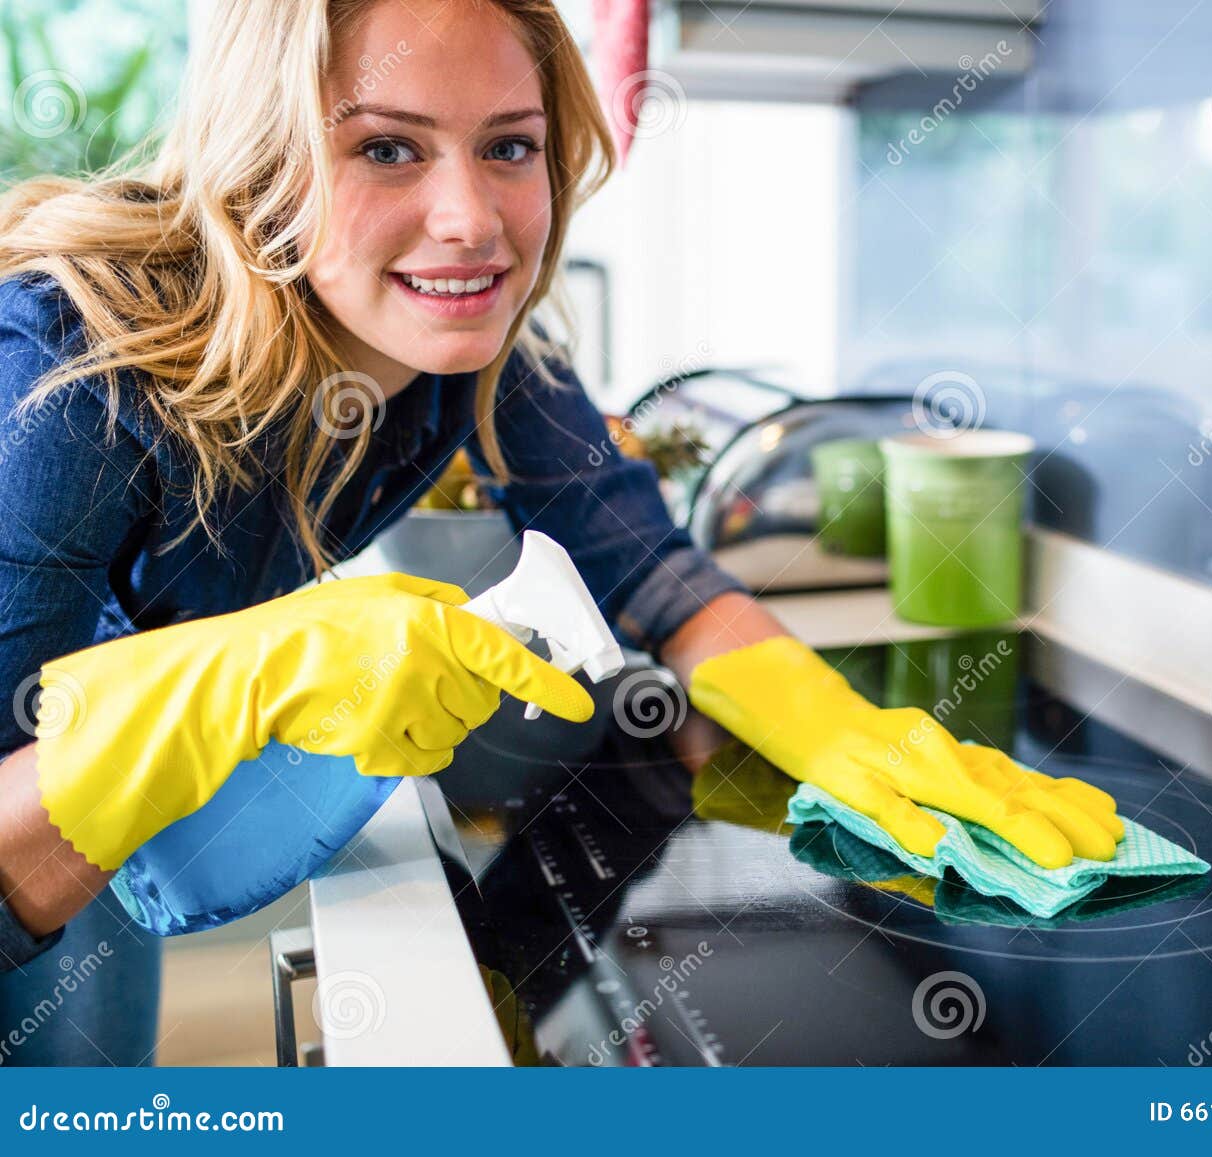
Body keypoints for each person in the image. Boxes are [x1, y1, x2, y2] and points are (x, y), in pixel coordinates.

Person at [0, 0, 1116, 1066]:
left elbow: (654, 573)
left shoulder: (476, 355)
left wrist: (836, 731)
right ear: (261, 159)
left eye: (509, 147)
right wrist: (233, 682)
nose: (473, 220)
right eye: (388, 149)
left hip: (98, 818)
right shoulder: (69, 367)